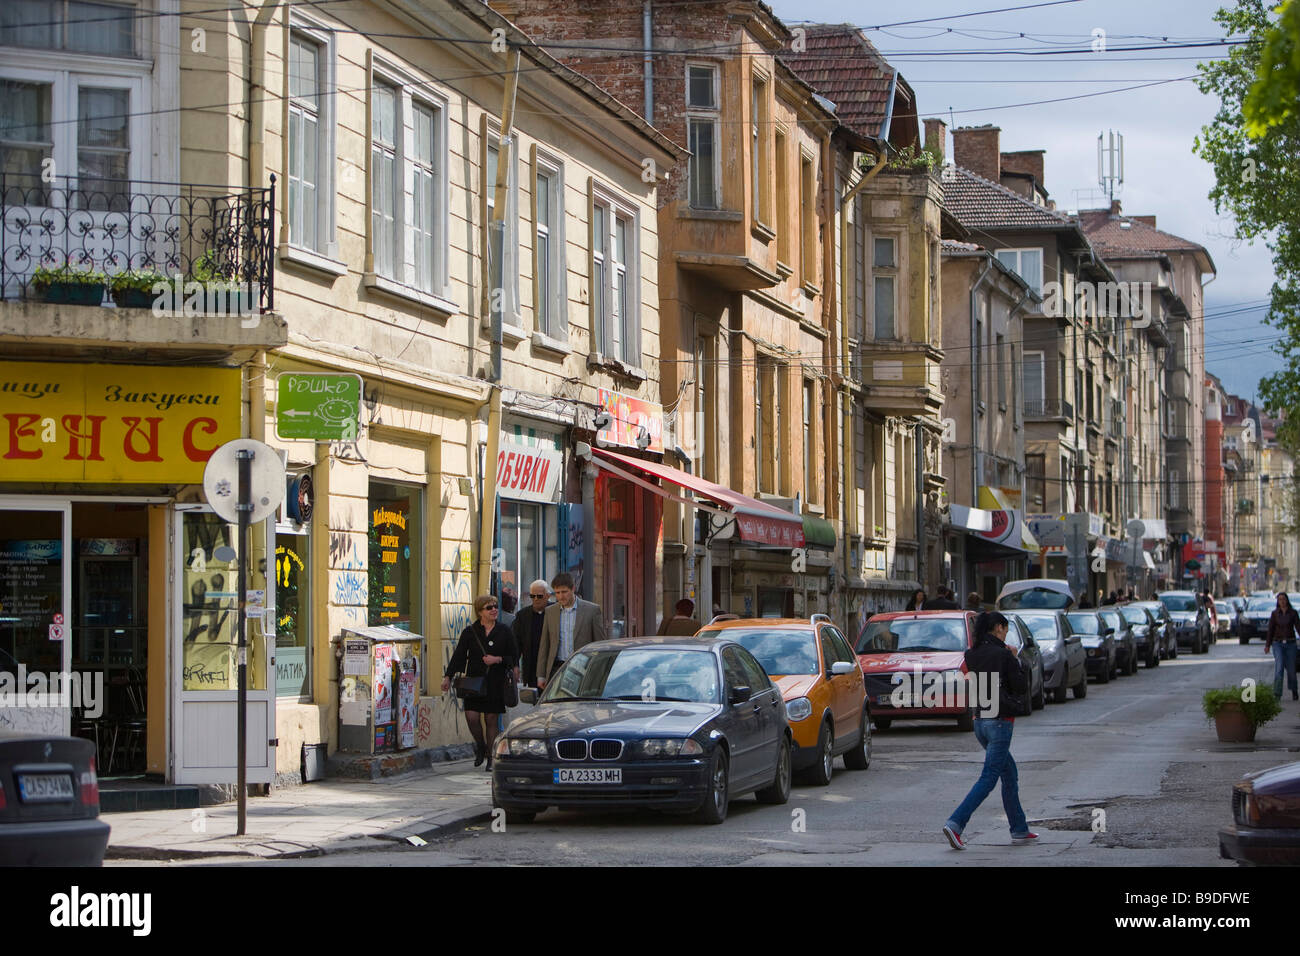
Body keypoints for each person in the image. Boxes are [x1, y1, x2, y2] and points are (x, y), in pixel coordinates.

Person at [942, 611, 1036, 849]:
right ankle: (955, 823)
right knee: (989, 778)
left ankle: (1019, 828)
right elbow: (1020, 687)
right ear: (997, 628)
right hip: (1000, 723)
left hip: (980, 721)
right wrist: (1016, 659)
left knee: (1009, 774)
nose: (1006, 634)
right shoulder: (1003, 655)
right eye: (1005, 629)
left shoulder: (971, 654)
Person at [441, 594, 518, 770]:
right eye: (489, 607)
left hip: (495, 681)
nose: (494, 610)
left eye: (495, 606)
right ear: (480, 611)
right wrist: (448, 677)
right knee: (471, 717)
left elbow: (513, 656)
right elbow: (459, 656)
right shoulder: (470, 632)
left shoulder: (504, 631)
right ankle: (480, 745)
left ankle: (491, 757)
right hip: (474, 682)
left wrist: (497, 659)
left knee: (491, 719)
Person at [537, 572, 607, 689]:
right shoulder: (550, 612)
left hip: (584, 668)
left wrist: (600, 674)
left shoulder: (592, 610)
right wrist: (541, 675)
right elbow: (545, 645)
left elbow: (600, 644)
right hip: (557, 669)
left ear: (573, 589)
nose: (560, 596)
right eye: (557, 593)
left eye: (564, 592)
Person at [510, 579, 551, 687]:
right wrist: (515, 665)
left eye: (539, 596)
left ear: (547, 596)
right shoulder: (522, 615)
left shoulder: (556, 611)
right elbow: (516, 642)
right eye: (533, 596)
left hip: (552, 666)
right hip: (532, 666)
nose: (536, 599)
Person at [1265, 591, 1299, 701]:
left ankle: (1294, 690)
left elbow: (1298, 627)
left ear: (1287, 601)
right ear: (1278, 602)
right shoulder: (1275, 614)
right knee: (1279, 668)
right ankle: (1277, 693)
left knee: (1291, 669)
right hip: (1277, 643)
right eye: (1280, 600)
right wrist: (1267, 645)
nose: (1282, 601)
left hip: (1290, 643)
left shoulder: (1293, 613)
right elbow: (1270, 630)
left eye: (1284, 599)